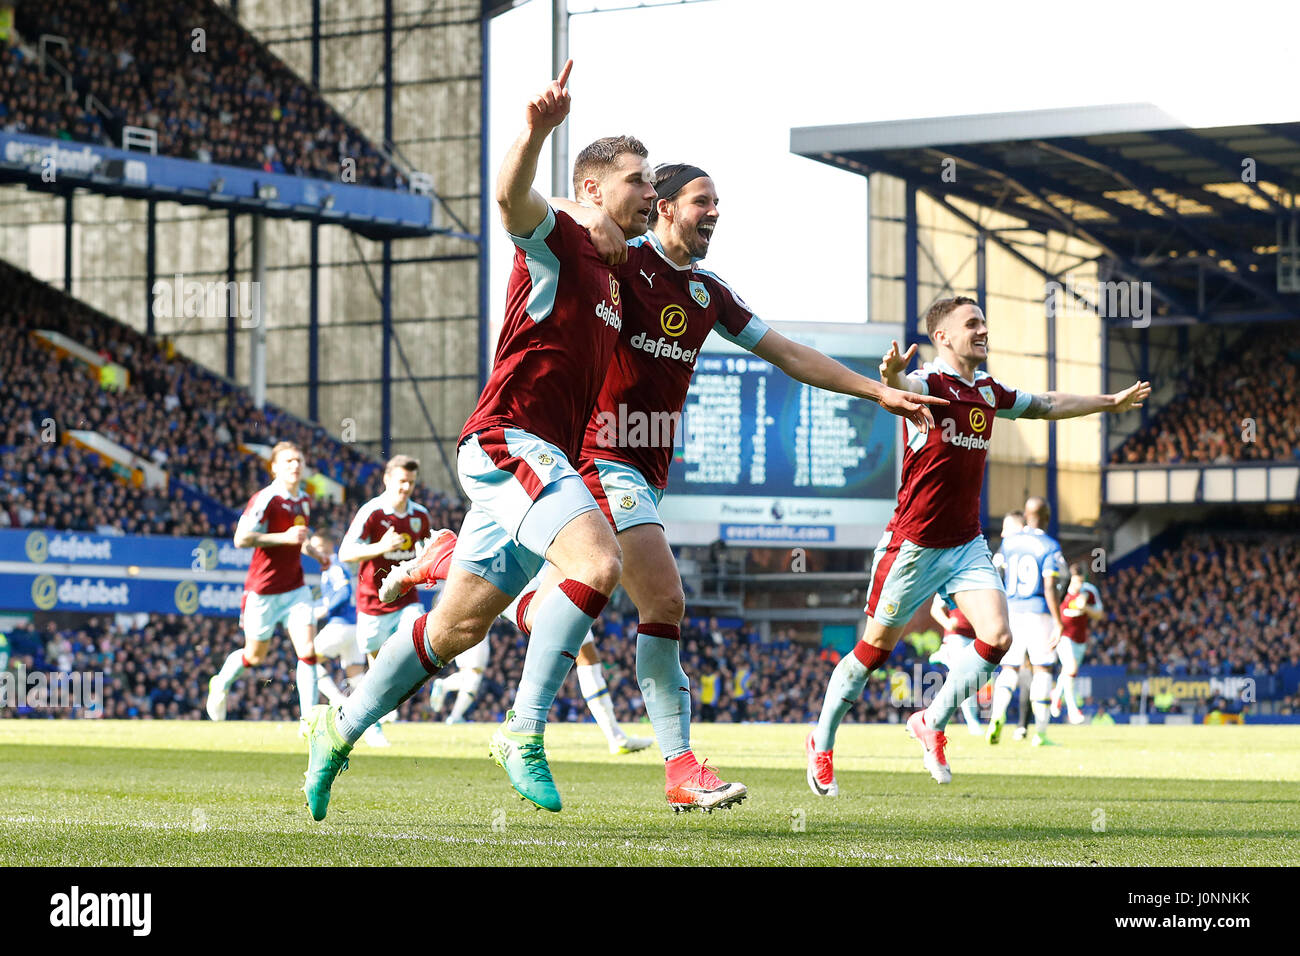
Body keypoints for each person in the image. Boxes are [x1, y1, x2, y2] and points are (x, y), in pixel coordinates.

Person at [513, 162, 946, 811]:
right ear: (662, 206)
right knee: (664, 601)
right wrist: (587, 212)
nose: (713, 212)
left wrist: (878, 390)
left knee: (509, 609)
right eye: (701, 202)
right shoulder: (618, 259)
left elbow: (791, 355)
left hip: (645, 474)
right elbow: (536, 213)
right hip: (599, 454)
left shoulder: (707, 292)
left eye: (718, 203)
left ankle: (490, 587)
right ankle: (676, 767)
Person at [303, 60, 654, 819]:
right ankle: (522, 732)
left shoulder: (618, 268)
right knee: (597, 565)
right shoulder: (561, 234)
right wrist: (535, 128)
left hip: (541, 457)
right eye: (638, 181)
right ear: (593, 188)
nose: (651, 194)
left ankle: (340, 725)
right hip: (506, 440)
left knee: (457, 629)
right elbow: (505, 197)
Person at [806, 295, 1149, 787]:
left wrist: (1109, 402)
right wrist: (890, 379)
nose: (983, 330)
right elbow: (899, 387)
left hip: (965, 544)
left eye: (984, 322)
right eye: (972, 324)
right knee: (874, 650)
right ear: (943, 336)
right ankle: (821, 741)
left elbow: (1048, 404)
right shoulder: (927, 383)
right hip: (913, 543)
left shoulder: (988, 391)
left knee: (999, 638)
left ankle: (930, 721)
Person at [208, 441, 332, 723]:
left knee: (308, 652)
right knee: (254, 657)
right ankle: (220, 683)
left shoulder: (303, 499)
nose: (295, 466)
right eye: (288, 461)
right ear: (274, 467)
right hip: (262, 590)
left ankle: (309, 721)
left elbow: (297, 539)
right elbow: (241, 539)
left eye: (299, 461)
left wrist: (315, 554)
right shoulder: (265, 499)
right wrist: (283, 538)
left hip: (295, 589)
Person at [338, 454, 454, 727]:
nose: (406, 487)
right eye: (401, 481)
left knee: (413, 635)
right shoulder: (372, 512)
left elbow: (425, 552)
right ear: (387, 479)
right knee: (377, 670)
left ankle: (399, 695)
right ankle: (370, 718)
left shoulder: (419, 515)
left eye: (411, 482)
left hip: (405, 597)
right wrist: (380, 546)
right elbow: (345, 553)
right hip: (371, 602)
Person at [985, 496, 1067, 747]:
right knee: (1042, 669)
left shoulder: (1009, 543)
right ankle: (1040, 733)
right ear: (1047, 518)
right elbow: (1050, 585)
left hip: (1013, 611)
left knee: (1009, 668)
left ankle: (997, 715)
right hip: (1039, 611)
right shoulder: (1050, 545)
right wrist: (1058, 620)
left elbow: (994, 571)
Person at [307, 530, 390, 748]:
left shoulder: (334, 568)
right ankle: (375, 729)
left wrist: (324, 609)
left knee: (306, 660)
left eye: (316, 547)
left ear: (325, 547)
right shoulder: (331, 568)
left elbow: (343, 594)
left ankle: (339, 702)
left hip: (340, 627)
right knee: (358, 681)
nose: (312, 552)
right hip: (353, 629)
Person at [1051, 562, 1104, 723]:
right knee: (1071, 668)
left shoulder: (1089, 591)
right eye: (1075, 582)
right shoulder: (1060, 590)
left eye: (1081, 582)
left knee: (1068, 673)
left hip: (1080, 640)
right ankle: (1073, 710)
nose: (1078, 585)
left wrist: (1086, 608)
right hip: (1063, 636)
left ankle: (1055, 696)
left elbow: (1099, 615)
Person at [928, 593, 983, 734]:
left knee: (978, 680)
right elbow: (935, 609)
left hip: (977, 638)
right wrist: (947, 623)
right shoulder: (953, 578)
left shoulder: (983, 581)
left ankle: (944, 654)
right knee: (965, 680)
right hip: (957, 637)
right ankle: (972, 721)